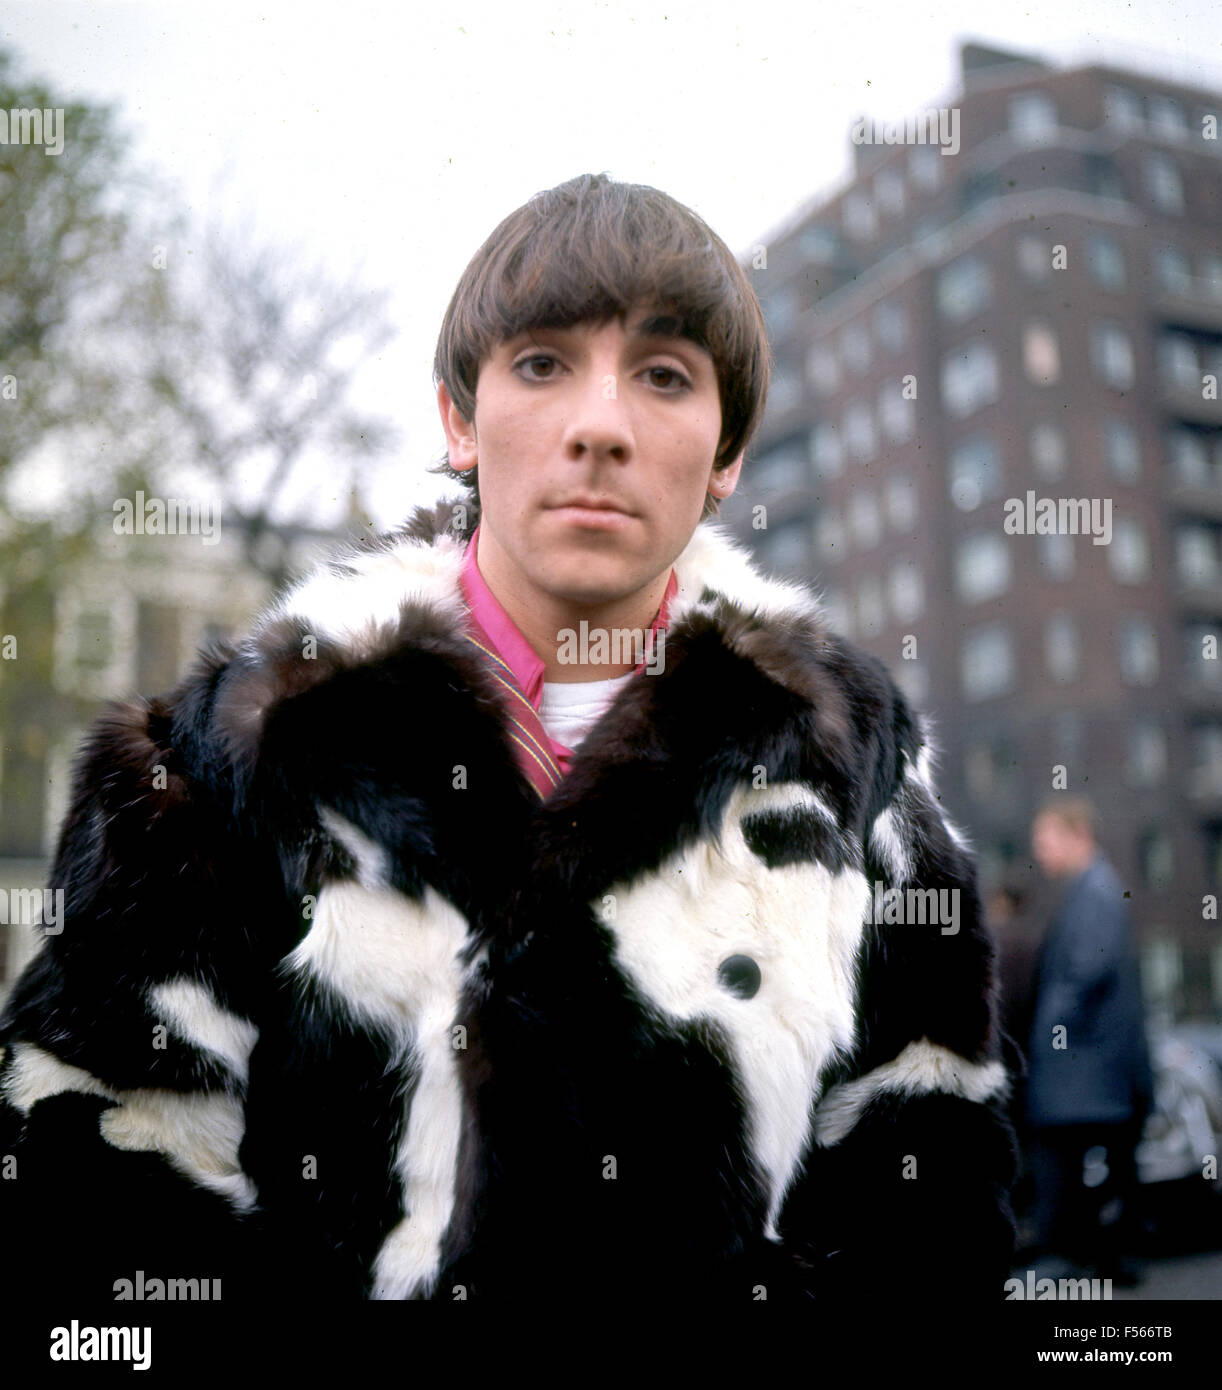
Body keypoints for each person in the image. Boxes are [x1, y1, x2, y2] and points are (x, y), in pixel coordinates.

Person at [0, 173, 1016, 1304]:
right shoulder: (228, 753)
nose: (599, 427)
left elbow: (931, 1186)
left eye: (665, 376)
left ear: (725, 452)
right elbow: (89, 1175)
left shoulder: (850, 762)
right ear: (458, 419)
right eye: (541, 364)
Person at [1024, 797, 1154, 1284]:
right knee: (1106, 1167)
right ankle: (1106, 1258)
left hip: (1082, 1069)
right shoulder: (1096, 888)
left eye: (1047, 839)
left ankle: (1069, 1257)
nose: (1040, 851)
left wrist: (1045, 1037)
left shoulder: (1094, 892)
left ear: (1078, 835)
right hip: (1095, 1069)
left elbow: (1083, 974)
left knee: (1059, 1161)